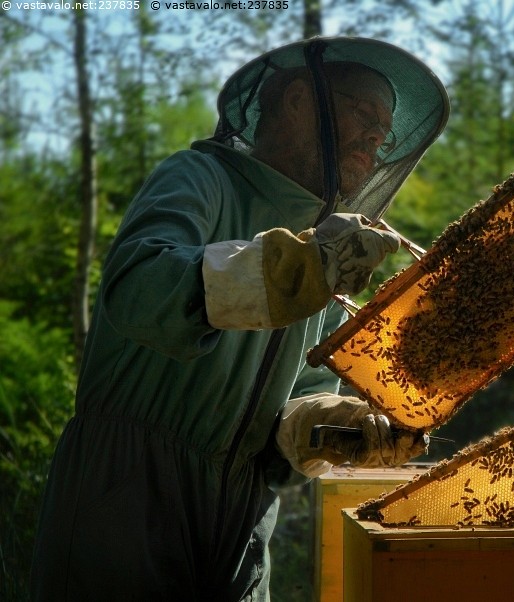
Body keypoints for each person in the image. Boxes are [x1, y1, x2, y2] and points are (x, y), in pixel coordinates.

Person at [30, 37, 450, 601]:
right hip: (125, 502)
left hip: (243, 532)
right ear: (299, 101)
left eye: (386, 131)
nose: (376, 138)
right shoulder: (201, 177)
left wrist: (333, 420)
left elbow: (299, 399)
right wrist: (292, 271)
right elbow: (139, 289)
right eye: (363, 113)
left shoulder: (330, 257)